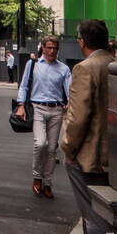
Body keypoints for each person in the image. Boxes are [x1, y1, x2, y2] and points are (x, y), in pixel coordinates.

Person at [61, 19, 114, 234]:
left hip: (88, 156)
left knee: (93, 214)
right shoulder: (113, 64)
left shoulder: (84, 68)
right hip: (113, 155)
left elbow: (78, 117)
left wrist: (68, 148)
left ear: (82, 42)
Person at [15, 35, 72, 198]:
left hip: (56, 110)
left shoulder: (63, 69)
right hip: (37, 108)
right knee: (40, 143)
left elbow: (70, 90)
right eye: (49, 47)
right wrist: (21, 105)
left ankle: (47, 182)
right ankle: (37, 177)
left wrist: (69, 101)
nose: (52, 51)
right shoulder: (32, 65)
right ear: (43, 48)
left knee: (52, 148)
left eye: (54, 48)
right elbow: (24, 85)